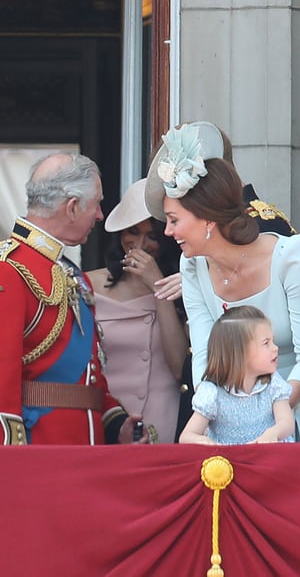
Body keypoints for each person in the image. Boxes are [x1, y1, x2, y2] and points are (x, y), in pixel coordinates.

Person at [145, 121, 300, 442]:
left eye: (174, 220)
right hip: (229, 424)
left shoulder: (291, 255)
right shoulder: (192, 266)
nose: (168, 232)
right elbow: (206, 357)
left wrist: (269, 410)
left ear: (207, 218)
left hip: (297, 417)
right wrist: (216, 413)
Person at [0, 152, 145, 445]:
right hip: (40, 455)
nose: (100, 215)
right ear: (72, 207)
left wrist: (116, 424)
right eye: (96, 204)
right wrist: (8, 464)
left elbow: (90, 380)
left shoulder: (73, 276)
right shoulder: (4, 274)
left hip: (85, 454)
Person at [86, 177, 189, 443]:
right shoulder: (86, 284)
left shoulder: (184, 287)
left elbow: (180, 368)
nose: (140, 245)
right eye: (132, 232)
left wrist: (158, 287)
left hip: (162, 418)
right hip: (106, 423)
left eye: (152, 236)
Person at [178, 306, 295, 444]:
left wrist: (273, 433)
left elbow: (286, 423)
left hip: (269, 458)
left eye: (272, 341)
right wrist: (207, 443)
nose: (275, 347)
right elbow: (186, 436)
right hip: (230, 462)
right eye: (266, 343)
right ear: (240, 353)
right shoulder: (212, 393)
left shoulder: (273, 383)